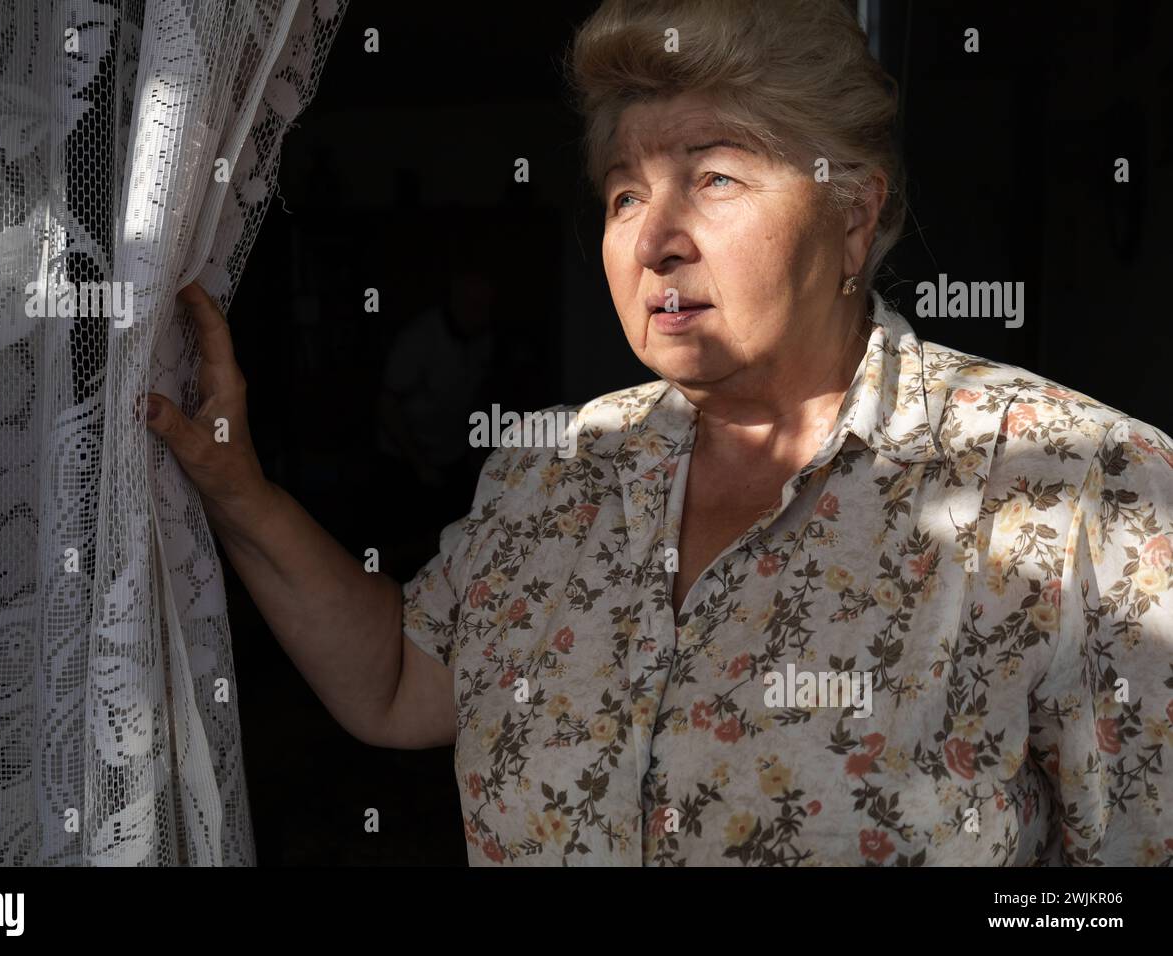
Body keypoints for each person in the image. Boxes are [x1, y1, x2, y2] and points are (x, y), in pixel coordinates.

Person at [146, 0, 1173, 865]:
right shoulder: (551, 470)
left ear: (853, 218)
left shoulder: (1084, 487)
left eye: (713, 175)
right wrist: (238, 490)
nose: (652, 238)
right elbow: (399, 684)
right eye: (624, 192)